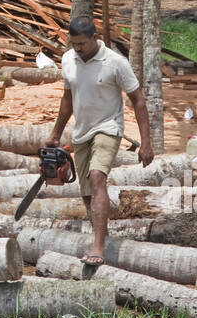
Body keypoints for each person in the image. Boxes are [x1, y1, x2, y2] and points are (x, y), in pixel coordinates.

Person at [45, 17, 153, 267]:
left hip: (109, 127)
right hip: (81, 132)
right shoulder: (68, 60)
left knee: (97, 177)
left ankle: (98, 247)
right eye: (74, 44)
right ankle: (102, 234)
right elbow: (68, 98)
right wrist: (55, 134)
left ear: (95, 37)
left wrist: (146, 142)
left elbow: (138, 100)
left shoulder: (115, 63)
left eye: (82, 43)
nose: (78, 49)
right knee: (87, 193)